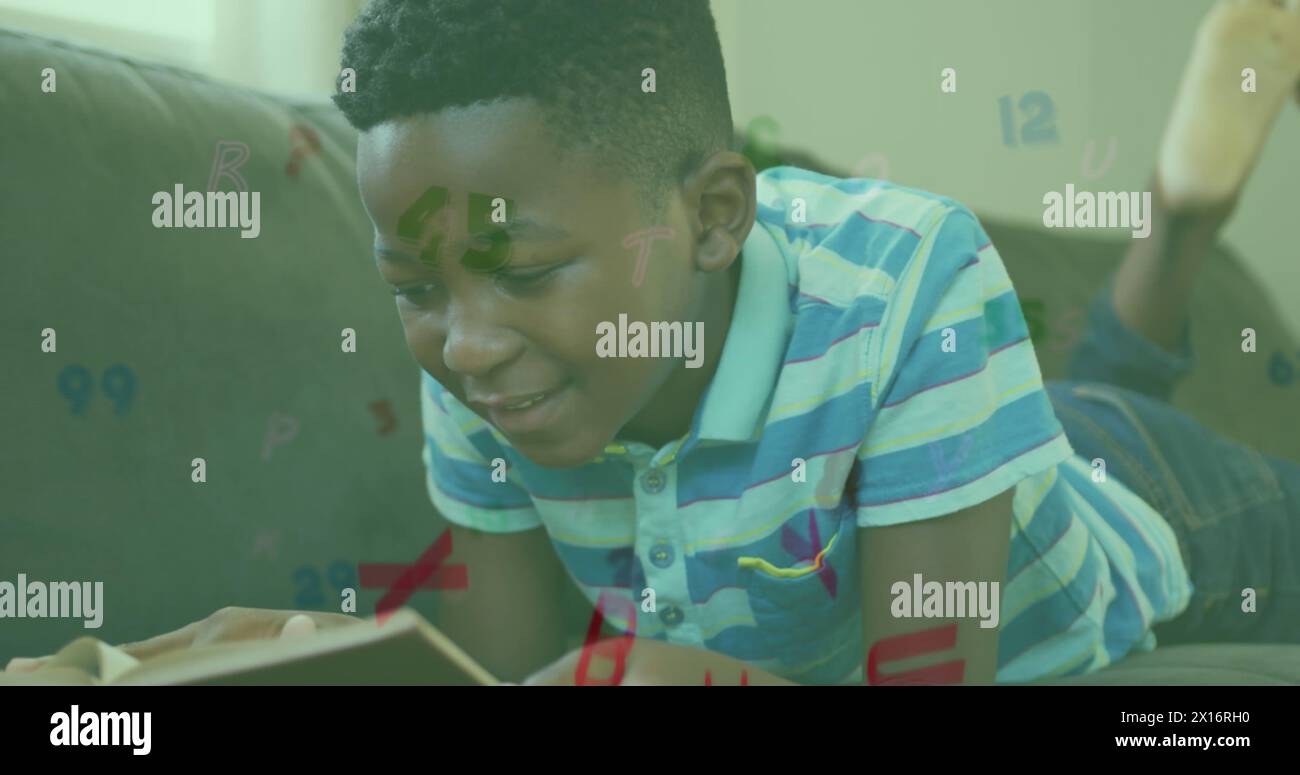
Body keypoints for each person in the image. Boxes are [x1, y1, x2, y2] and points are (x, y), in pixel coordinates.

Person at [9, 0, 1300, 685]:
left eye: (524, 269)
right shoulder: (481, 350)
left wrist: (694, 679)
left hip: (1133, 509)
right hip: (962, 451)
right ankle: (1178, 213)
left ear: (712, 216)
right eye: (413, 284)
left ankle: (1181, 216)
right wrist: (278, 654)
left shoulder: (912, 277)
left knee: (1106, 430)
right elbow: (510, 672)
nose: (463, 346)